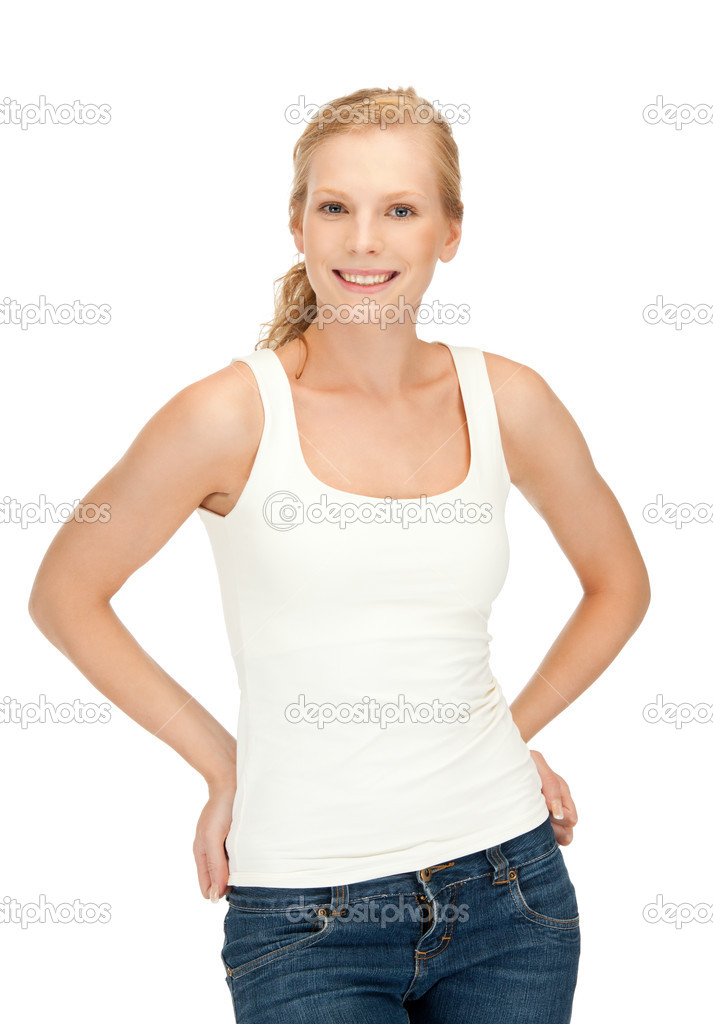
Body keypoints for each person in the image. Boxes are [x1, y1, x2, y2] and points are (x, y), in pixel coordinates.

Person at [28, 86, 651, 1023]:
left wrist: (511, 736)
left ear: (449, 232)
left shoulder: (508, 399)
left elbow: (620, 585)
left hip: (512, 891)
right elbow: (65, 594)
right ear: (298, 225)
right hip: (304, 915)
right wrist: (223, 763)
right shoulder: (226, 415)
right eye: (336, 207)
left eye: (400, 209)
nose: (365, 240)